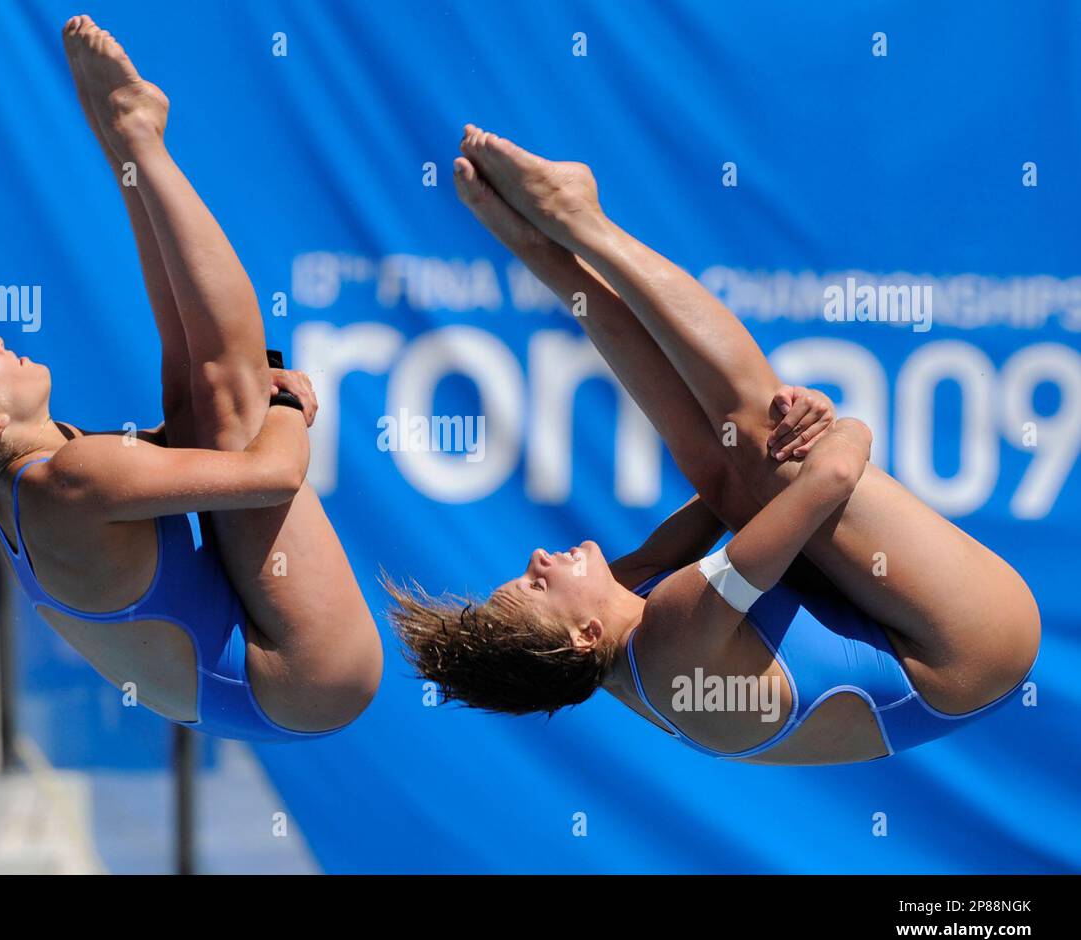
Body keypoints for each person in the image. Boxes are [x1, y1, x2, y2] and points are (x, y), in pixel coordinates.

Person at [0, 18, 382, 742]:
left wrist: (263, 395)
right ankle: (136, 142)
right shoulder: (68, 479)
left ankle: (127, 144)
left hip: (240, 676)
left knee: (193, 401)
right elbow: (275, 474)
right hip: (308, 676)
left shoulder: (17, 482)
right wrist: (282, 393)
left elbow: (186, 454)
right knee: (232, 395)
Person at [384, 127, 1040, 765]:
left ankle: (538, 245)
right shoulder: (669, 639)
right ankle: (580, 219)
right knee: (768, 441)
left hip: (911, 648)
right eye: (534, 584)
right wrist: (836, 422)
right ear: (584, 637)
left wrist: (783, 458)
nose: (537, 558)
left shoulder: (624, 615)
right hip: (970, 648)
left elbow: (726, 491)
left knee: (727, 468)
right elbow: (833, 472)